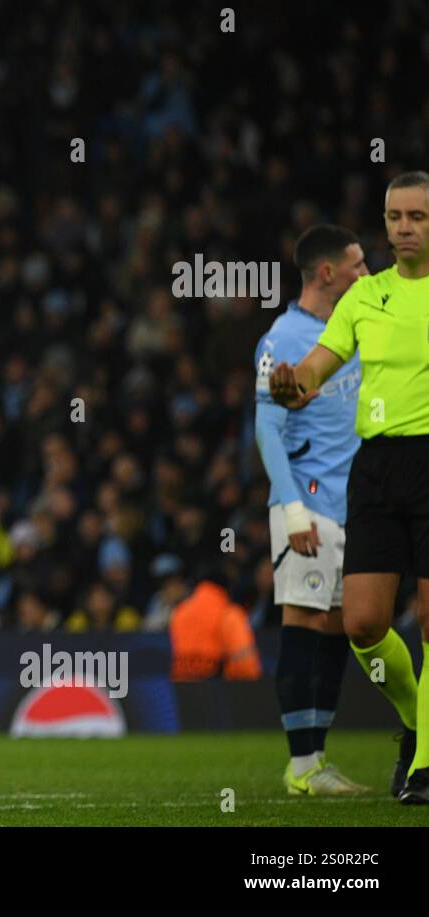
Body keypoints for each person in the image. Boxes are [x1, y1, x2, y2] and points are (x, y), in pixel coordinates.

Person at [270, 171, 429, 803]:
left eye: (417, 217)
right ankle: (417, 723)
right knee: (363, 623)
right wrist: (293, 383)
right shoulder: (366, 298)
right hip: (377, 469)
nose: (404, 228)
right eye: (395, 218)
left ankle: (423, 769)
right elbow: (316, 366)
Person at [254, 223, 369, 796]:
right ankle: (301, 763)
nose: (366, 274)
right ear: (328, 273)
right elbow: (267, 429)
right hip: (309, 504)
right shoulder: (284, 339)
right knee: (303, 621)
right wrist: (294, 511)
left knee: (336, 628)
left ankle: (317, 757)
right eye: (358, 265)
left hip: (355, 506)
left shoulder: (350, 333)